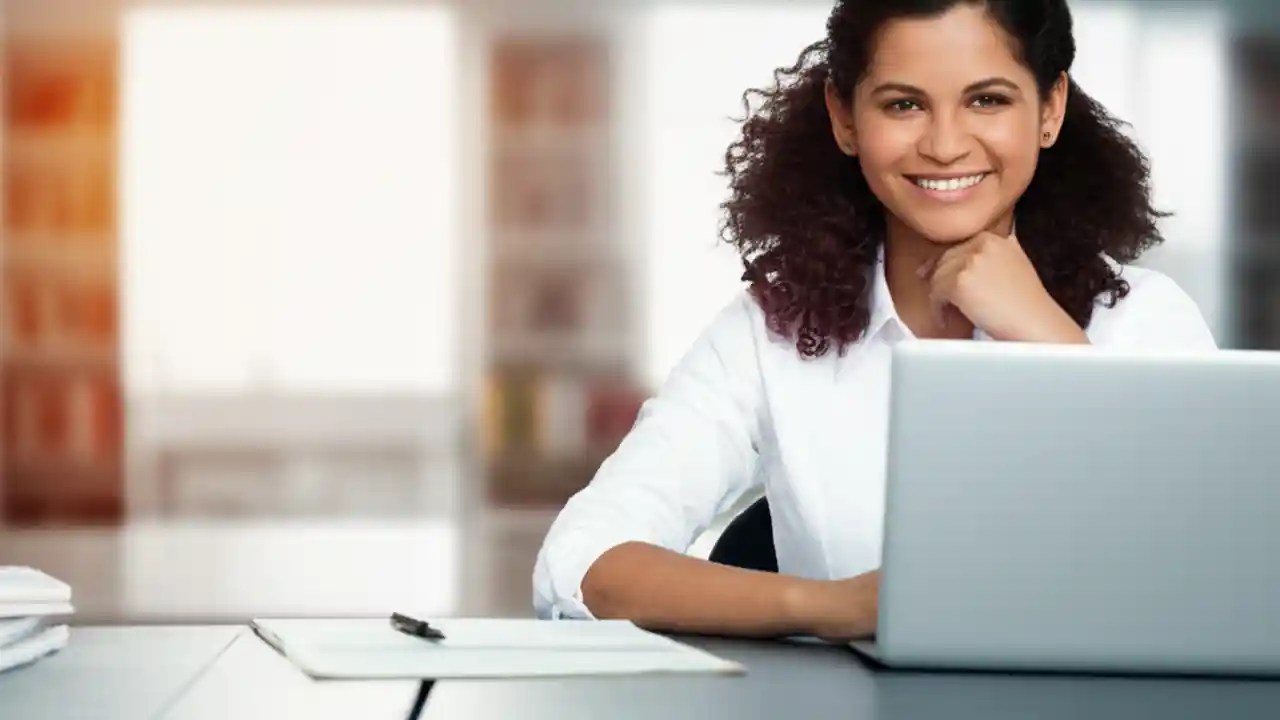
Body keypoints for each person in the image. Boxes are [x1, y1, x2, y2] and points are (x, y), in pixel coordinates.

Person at [532, 0, 1216, 641]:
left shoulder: (1145, 321)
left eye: (987, 99)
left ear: (1050, 107)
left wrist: (1042, 333)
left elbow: (1216, 573)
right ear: (845, 117)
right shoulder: (770, 333)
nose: (946, 145)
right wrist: (839, 606)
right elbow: (580, 562)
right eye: (904, 104)